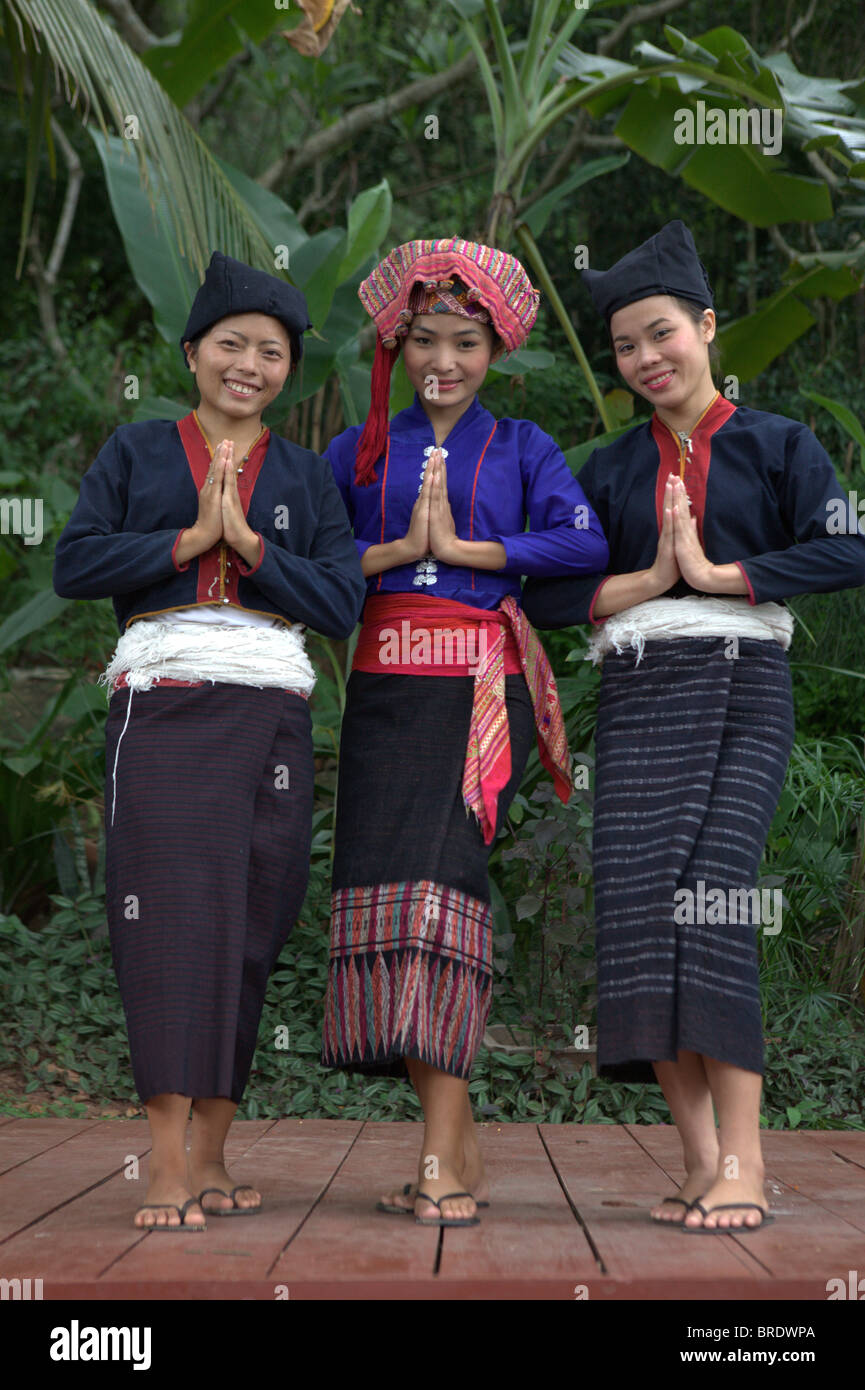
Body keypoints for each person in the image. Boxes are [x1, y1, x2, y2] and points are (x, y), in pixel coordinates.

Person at [522, 220, 865, 1233]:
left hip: (741, 691)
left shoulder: (779, 445)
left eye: (660, 333)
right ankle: (698, 1158)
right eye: (626, 346)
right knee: (636, 916)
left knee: (712, 903)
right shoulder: (612, 466)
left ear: (707, 327)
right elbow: (542, 587)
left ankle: (747, 1162)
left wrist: (725, 577)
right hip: (637, 702)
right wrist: (646, 580)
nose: (644, 360)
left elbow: (849, 545)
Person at [53, 252, 366, 1231]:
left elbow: (343, 597)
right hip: (168, 700)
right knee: (172, 924)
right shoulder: (138, 454)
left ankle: (215, 1150)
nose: (249, 364)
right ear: (191, 353)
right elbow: (75, 562)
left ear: (287, 371)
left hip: (272, 706)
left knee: (250, 928)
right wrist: (189, 544)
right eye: (230, 343)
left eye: (270, 351)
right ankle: (162, 1161)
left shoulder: (308, 478)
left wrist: (255, 549)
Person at [321, 236, 609, 1226]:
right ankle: (458, 1129)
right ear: (397, 345)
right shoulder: (356, 451)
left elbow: (582, 539)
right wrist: (397, 549)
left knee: (441, 897)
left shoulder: (524, 446)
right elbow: (306, 558)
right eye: (425, 340)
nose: (443, 360)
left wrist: (469, 550)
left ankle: (441, 1154)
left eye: (466, 344)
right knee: (384, 903)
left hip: (478, 698)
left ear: (496, 352)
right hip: (380, 697)